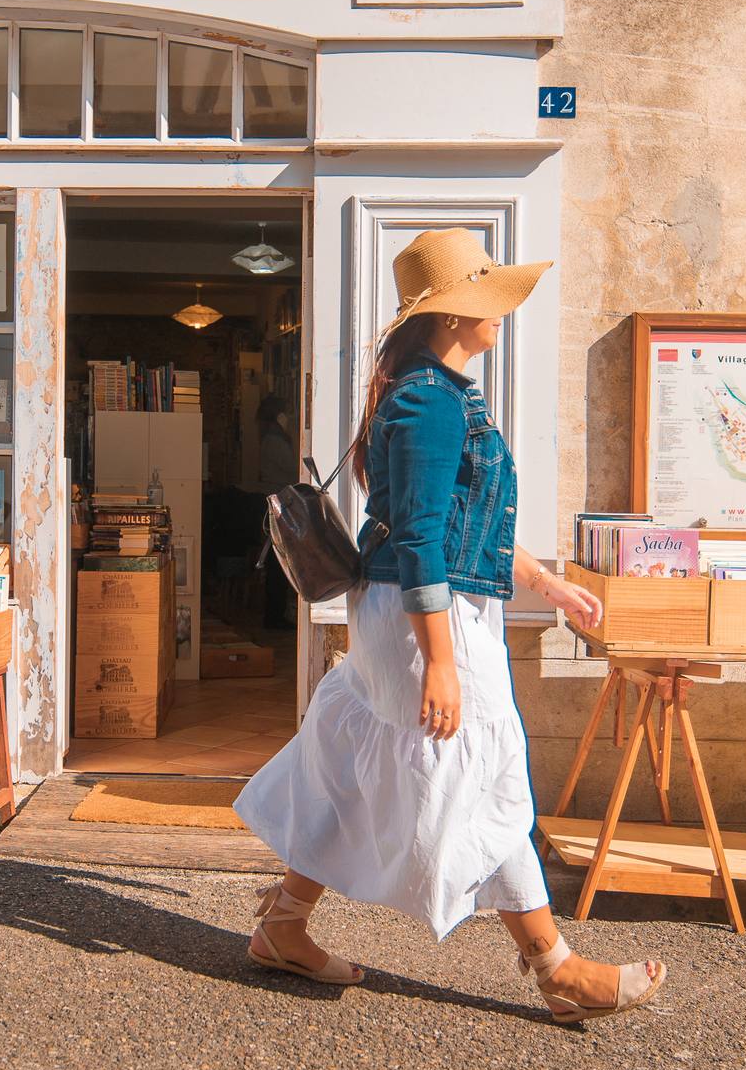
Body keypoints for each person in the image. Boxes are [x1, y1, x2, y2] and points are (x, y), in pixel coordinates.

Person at [233, 227, 667, 1024]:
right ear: (453, 315)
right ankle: (556, 968)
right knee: (488, 785)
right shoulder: (429, 402)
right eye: (489, 299)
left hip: (421, 612)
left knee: (366, 772)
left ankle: (284, 926)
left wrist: (547, 584)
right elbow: (422, 539)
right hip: (423, 620)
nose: (501, 313)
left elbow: (471, 528)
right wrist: (439, 662)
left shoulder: (440, 391)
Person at [255, 395, 299, 629]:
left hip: (276, 502)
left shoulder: (271, 437)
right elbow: (293, 469)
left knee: (276, 559)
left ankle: (275, 614)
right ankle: (274, 616)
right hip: (279, 504)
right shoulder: (276, 439)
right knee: (277, 560)